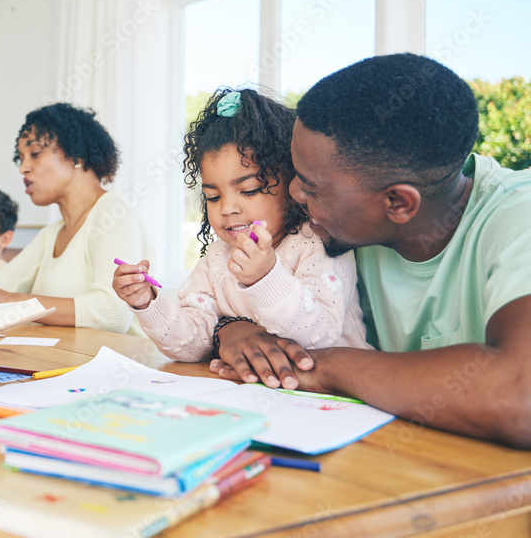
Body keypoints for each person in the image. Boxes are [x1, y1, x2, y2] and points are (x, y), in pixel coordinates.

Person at [208, 53, 531, 449]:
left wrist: (325, 367)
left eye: (311, 187)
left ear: (398, 204)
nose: (293, 194)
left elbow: (520, 399)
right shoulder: (335, 226)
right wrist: (235, 328)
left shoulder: (518, 219)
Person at [113, 89, 370, 364]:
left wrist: (265, 278)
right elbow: (191, 346)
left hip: (337, 396)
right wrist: (147, 302)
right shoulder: (216, 258)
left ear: (291, 182)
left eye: (249, 190)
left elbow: (318, 336)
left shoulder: (318, 243)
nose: (227, 208)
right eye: (212, 196)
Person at [0, 103, 154, 333]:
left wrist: (6, 299)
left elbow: (112, 313)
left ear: (76, 156)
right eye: (21, 158)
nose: (23, 168)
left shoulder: (114, 212)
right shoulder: (52, 234)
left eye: (35, 154)